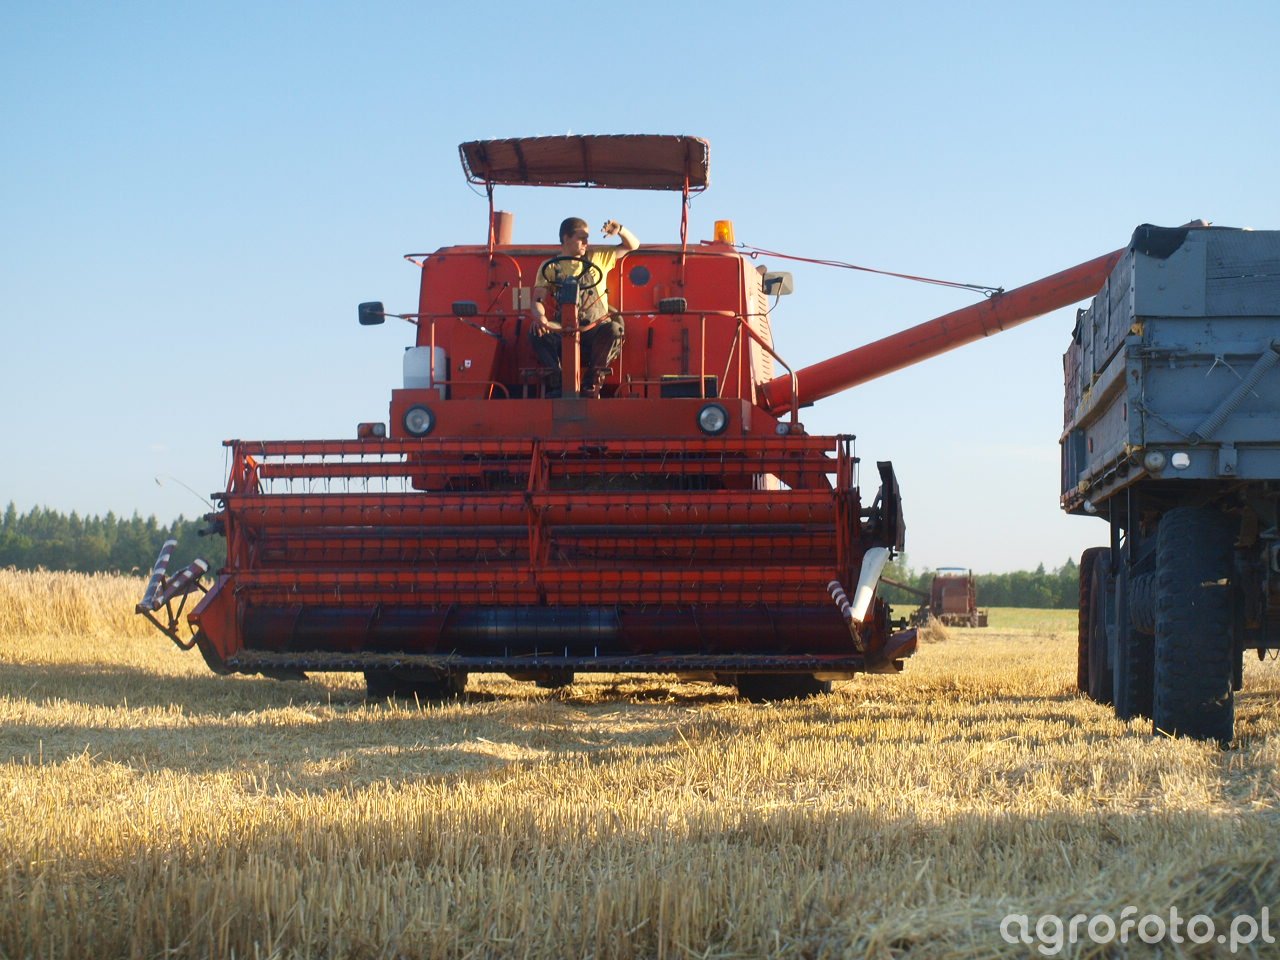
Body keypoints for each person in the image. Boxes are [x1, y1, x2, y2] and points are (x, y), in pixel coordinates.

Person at [530, 216, 638, 397]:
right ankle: (558, 381)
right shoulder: (550, 267)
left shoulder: (598, 257)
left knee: (613, 329)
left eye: (587, 238)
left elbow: (632, 245)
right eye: (582, 238)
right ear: (566, 238)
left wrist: (619, 229)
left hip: (594, 328)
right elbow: (537, 300)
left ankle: (592, 383)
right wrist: (540, 318)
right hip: (563, 328)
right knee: (536, 333)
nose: (587, 242)